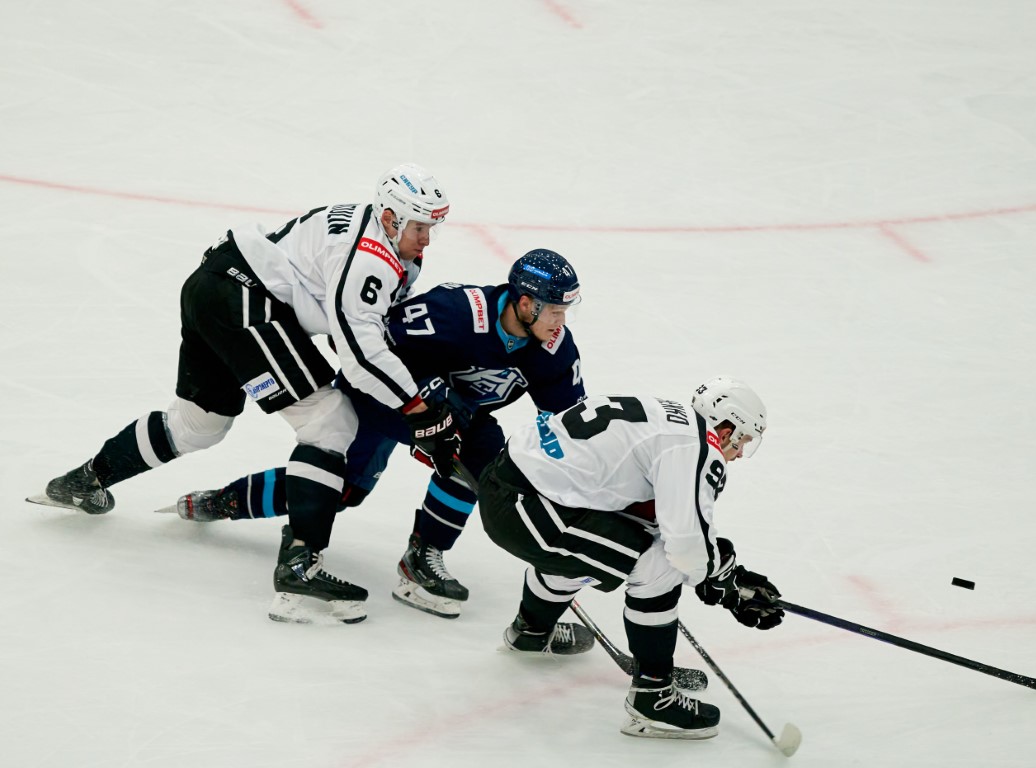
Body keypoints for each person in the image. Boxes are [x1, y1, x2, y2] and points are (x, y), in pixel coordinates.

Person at [30, 164, 457, 625]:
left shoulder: (372, 232)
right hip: (246, 300)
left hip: (212, 285)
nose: (427, 238)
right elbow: (360, 351)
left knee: (197, 426)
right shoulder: (372, 258)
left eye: (432, 227)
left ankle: (81, 481)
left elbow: (349, 330)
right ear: (391, 217)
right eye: (420, 227)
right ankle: (299, 564)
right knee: (331, 422)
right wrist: (418, 408)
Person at [171, 249, 586, 619]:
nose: (560, 323)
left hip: (446, 417)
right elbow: (369, 343)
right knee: (342, 486)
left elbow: (569, 424)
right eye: (554, 311)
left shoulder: (554, 349)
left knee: (480, 457)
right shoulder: (457, 312)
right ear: (526, 304)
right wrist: (430, 399)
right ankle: (227, 501)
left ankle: (422, 557)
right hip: (379, 397)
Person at [476, 377, 785, 740]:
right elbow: (684, 548)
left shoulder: (669, 418)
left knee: (594, 551)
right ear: (728, 426)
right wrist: (724, 581)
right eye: (744, 440)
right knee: (659, 568)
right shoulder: (697, 446)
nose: (740, 452)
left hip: (516, 490)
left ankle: (530, 632)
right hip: (530, 509)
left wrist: (723, 572)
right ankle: (653, 699)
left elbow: (652, 520)